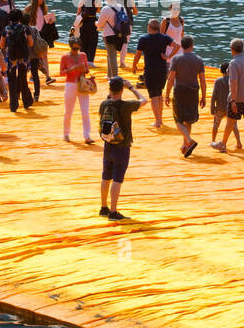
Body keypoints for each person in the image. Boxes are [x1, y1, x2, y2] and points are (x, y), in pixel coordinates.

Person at [99, 76, 145, 220]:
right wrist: (131, 87)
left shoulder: (103, 104)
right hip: (122, 146)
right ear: (122, 89)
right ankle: (113, 211)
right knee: (117, 178)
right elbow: (144, 100)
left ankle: (104, 207)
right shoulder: (126, 105)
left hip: (108, 144)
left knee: (106, 176)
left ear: (110, 89)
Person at [165, 35, 206, 158]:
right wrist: (204, 96)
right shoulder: (198, 59)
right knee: (189, 119)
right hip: (193, 90)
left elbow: (171, 79)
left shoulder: (176, 59)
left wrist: (167, 94)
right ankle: (186, 145)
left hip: (180, 91)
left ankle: (189, 140)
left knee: (178, 119)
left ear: (182, 46)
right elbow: (202, 81)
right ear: (192, 46)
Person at [131, 18, 176, 129]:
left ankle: (158, 121)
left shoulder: (143, 39)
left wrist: (134, 65)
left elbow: (138, 54)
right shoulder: (164, 37)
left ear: (149, 27)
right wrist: (168, 57)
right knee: (159, 94)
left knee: (154, 96)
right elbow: (177, 46)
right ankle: (160, 118)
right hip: (162, 69)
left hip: (150, 69)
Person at [217, 38, 244, 157]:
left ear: (232, 50)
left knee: (230, 121)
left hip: (238, 97)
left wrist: (233, 100)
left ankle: (223, 144)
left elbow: (233, 83)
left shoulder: (233, 63)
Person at [60, 36, 94, 144]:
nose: (76, 51)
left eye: (77, 49)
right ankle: (66, 134)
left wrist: (85, 69)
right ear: (70, 47)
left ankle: (87, 135)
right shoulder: (65, 57)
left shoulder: (83, 55)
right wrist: (74, 68)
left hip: (81, 84)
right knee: (68, 111)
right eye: (74, 48)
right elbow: (61, 72)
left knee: (85, 111)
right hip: (70, 84)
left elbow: (87, 70)